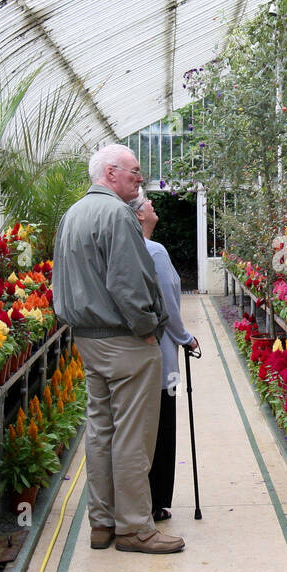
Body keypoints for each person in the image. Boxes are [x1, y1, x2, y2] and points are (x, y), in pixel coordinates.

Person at [51, 144, 184, 554]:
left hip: (89, 341)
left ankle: (102, 523)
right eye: (135, 172)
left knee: (101, 429)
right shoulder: (118, 216)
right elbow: (129, 283)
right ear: (111, 173)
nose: (140, 179)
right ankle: (134, 528)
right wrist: (148, 329)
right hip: (125, 341)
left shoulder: (72, 215)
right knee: (133, 435)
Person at [130, 196, 200, 521]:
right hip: (161, 358)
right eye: (148, 203)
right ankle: (156, 501)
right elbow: (170, 305)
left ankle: (135, 500)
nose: (153, 206)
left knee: (137, 428)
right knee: (162, 425)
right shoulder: (154, 251)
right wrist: (187, 338)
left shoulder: (124, 250)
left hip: (130, 357)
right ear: (140, 215)